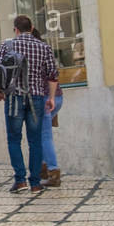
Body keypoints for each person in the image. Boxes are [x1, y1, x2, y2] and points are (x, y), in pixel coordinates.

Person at [0, 15, 59, 194]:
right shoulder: (44, 47)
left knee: (14, 139)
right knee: (35, 141)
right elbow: (53, 74)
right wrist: (51, 98)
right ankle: (36, 183)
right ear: (31, 28)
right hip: (37, 98)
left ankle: (20, 180)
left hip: (14, 97)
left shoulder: (7, 46)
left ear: (15, 29)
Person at [34, 28, 64, 188]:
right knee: (42, 135)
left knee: (44, 136)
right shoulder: (46, 50)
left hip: (46, 99)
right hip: (58, 96)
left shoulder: (34, 52)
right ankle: (44, 169)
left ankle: (53, 172)